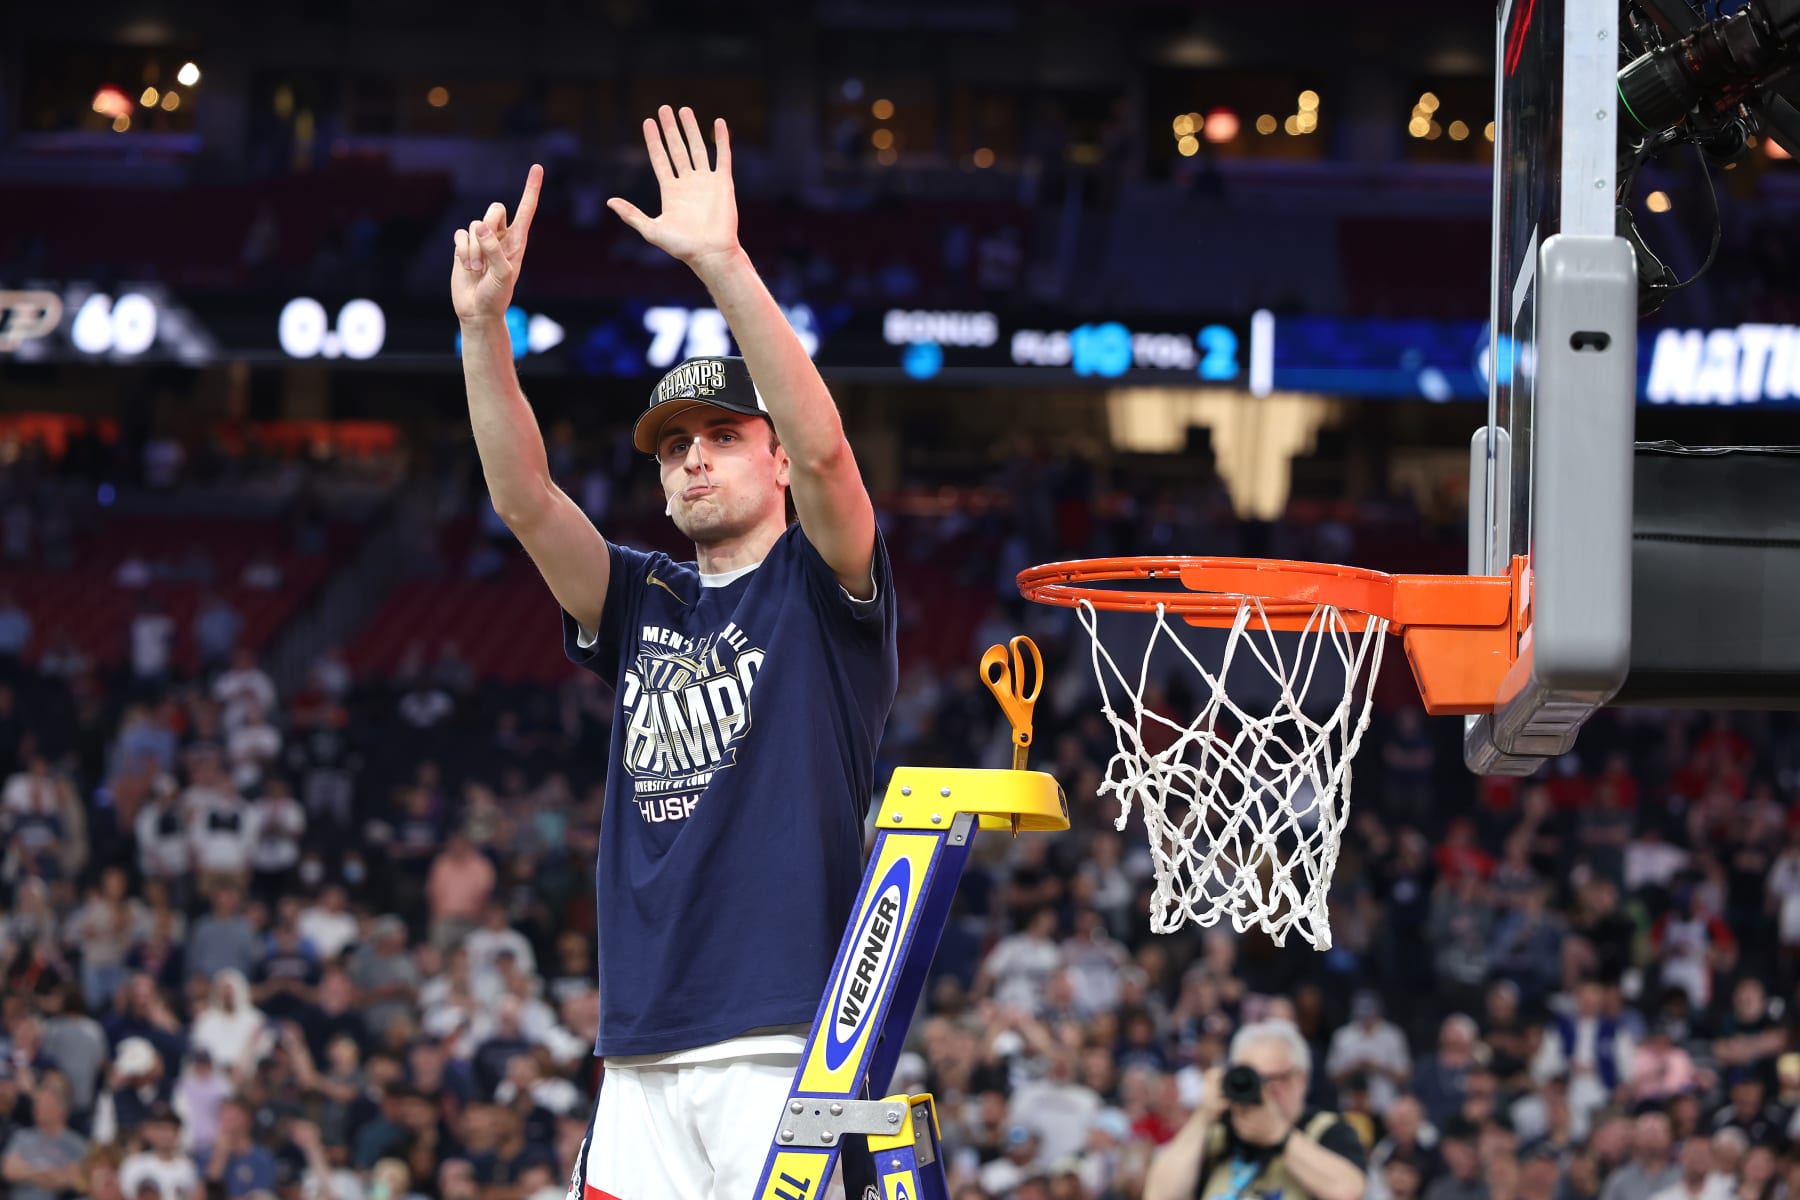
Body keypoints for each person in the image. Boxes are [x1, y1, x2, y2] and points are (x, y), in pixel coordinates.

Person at [451, 104, 896, 1200]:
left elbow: (833, 450)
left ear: (776, 458)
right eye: (675, 449)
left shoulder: (821, 584)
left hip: (782, 1042)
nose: (693, 461)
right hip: (641, 1044)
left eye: (723, 438)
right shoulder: (646, 597)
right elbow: (522, 500)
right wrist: (482, 333)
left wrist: (722, 263)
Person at [1143, 1019, 1367, 1200]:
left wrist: (1279, 1136)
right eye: (1252, 1078)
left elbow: (1349, 1191)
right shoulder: (1219, 1134)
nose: (1264, 1091)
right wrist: (1202, 1117)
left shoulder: (1327, 1130)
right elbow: (1159, 1195)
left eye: (1275, 1079)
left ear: (1302, 1079)